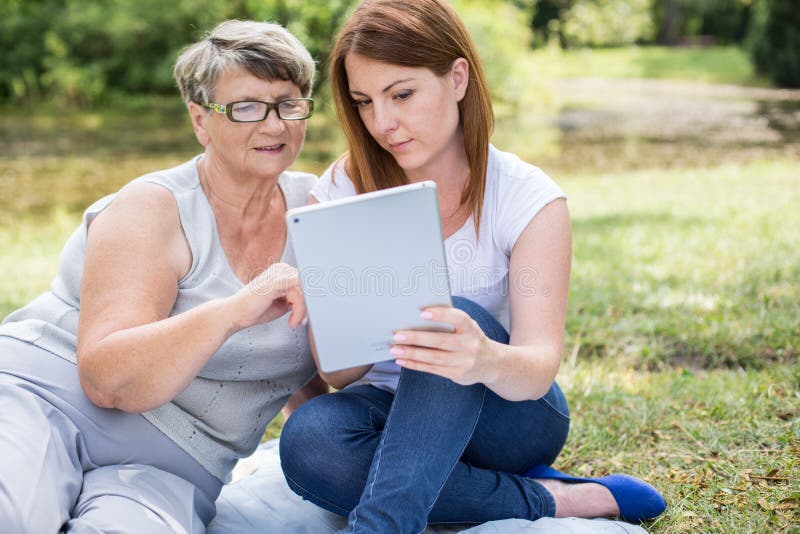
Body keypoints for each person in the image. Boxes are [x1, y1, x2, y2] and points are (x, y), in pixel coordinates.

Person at [278, 1, 667, 533]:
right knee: (310, 442)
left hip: (508, 412)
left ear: (457, 78)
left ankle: (382, 524)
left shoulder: (528, 198)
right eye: (365, 102)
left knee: (446, 318)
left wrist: (480, 358)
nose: (383, 123)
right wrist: (336, 299)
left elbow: (538, 365)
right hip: (390, 412)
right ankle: (555, 500)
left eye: (402, 94)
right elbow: (338, 375)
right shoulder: (343, 190)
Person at [0, 20, 325, 533]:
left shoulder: (324, 211)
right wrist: (236, 310)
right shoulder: (153, 207)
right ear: (200, 120)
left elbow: (308, 368)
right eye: (245, 107)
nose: (274, 125)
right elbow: (109, 380)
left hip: (173, 468)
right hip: (48, 401)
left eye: (288, 103)